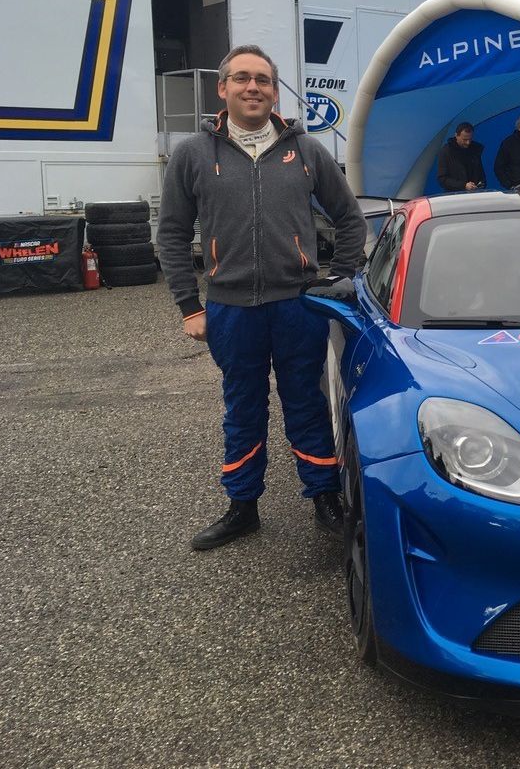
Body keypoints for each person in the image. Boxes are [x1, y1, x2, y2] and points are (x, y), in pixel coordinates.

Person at [156, 45, 366, 551]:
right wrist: (190, 305)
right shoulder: (192, 154)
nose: (254, 88)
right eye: (243, 79)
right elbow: (171, 234)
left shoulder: (307, 150)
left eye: (264, 80)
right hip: (229, 309)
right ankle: (242, 506)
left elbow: (351, 220)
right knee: (242, 406)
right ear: (222, 88)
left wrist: (333, 282)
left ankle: (323, 496)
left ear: (275, 91)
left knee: (306, 402)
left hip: (297, 305)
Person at [437, 122, 486, 192]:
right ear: (456, 135)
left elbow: (481, 174)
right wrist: (464, 185)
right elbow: (442, 179)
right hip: (454, 195)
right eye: (465, 139)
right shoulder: (446, 151)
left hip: (474, 194)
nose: (468, 143)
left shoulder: (475, 150)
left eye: (470, 139)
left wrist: (481, 184)